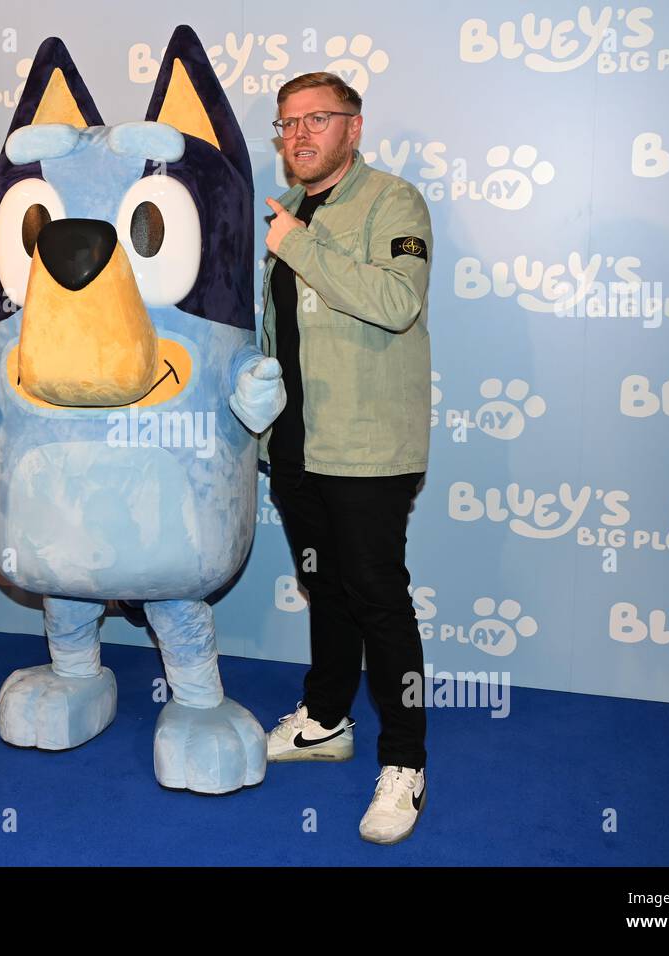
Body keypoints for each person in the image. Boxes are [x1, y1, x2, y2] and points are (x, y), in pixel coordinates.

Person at [259, 73, 433, 844]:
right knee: (323, 588)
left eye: (317, 120)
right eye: (288, 124)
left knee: (376, 598)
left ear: (353, 129)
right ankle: (327, 719)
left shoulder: (392, 202)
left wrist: (297, 244)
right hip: (298, 445)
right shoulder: (287, 209)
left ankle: (406, 761)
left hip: (367, 449)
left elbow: (396, 303)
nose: (300, 136)